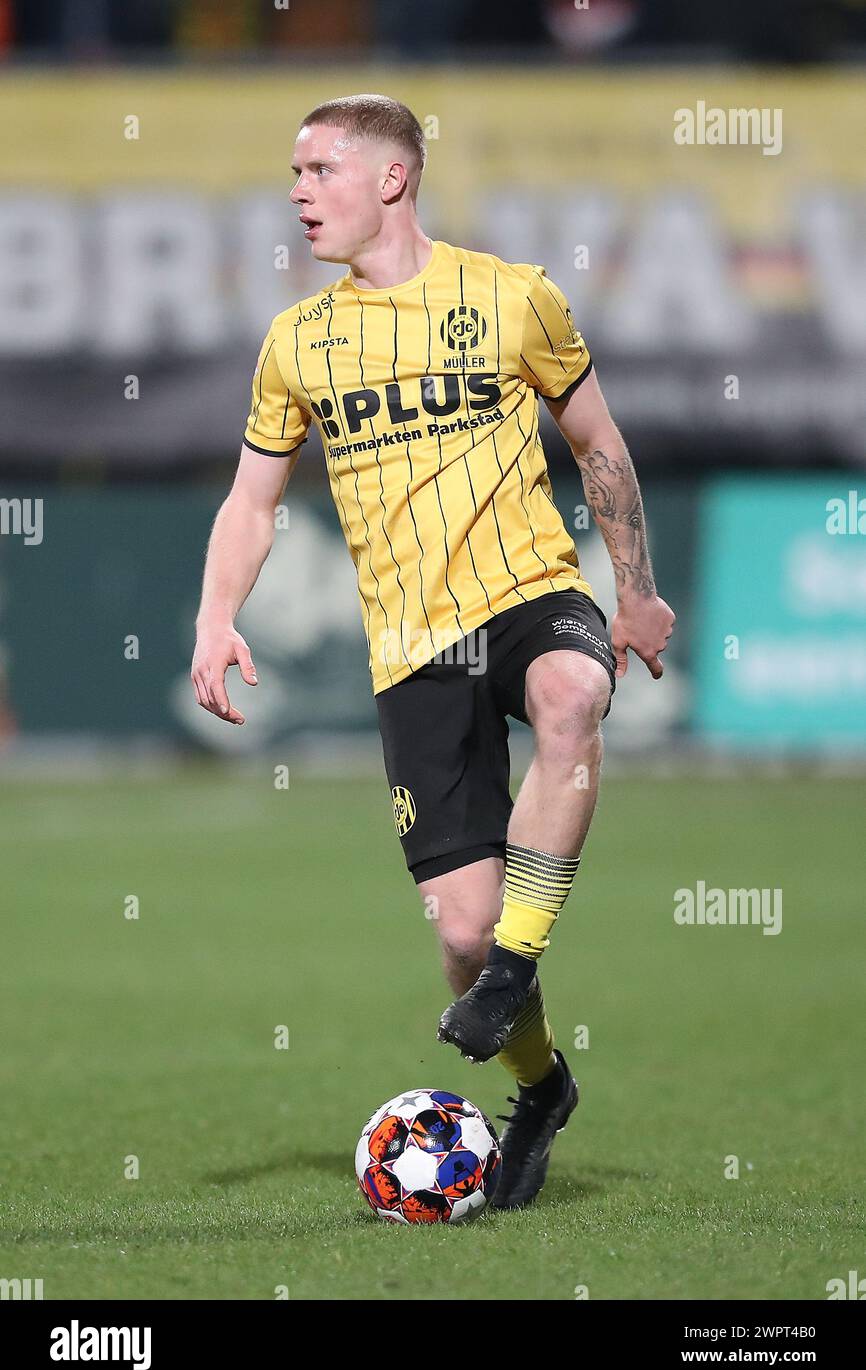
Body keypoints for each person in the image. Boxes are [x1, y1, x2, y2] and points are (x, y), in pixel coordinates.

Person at [191, 93, 675, 1209]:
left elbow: (595, 441)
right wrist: (217, 613)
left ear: (390, 180)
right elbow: (252, 502)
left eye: (319, 169)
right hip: (411, 645)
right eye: (295, 172)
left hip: (527, 592)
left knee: (570, 692)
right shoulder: (297, 342)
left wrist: (634, 593)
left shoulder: (513, 298)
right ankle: (541, 1080)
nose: (298, 191)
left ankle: (515, 969)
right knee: (460, 930)